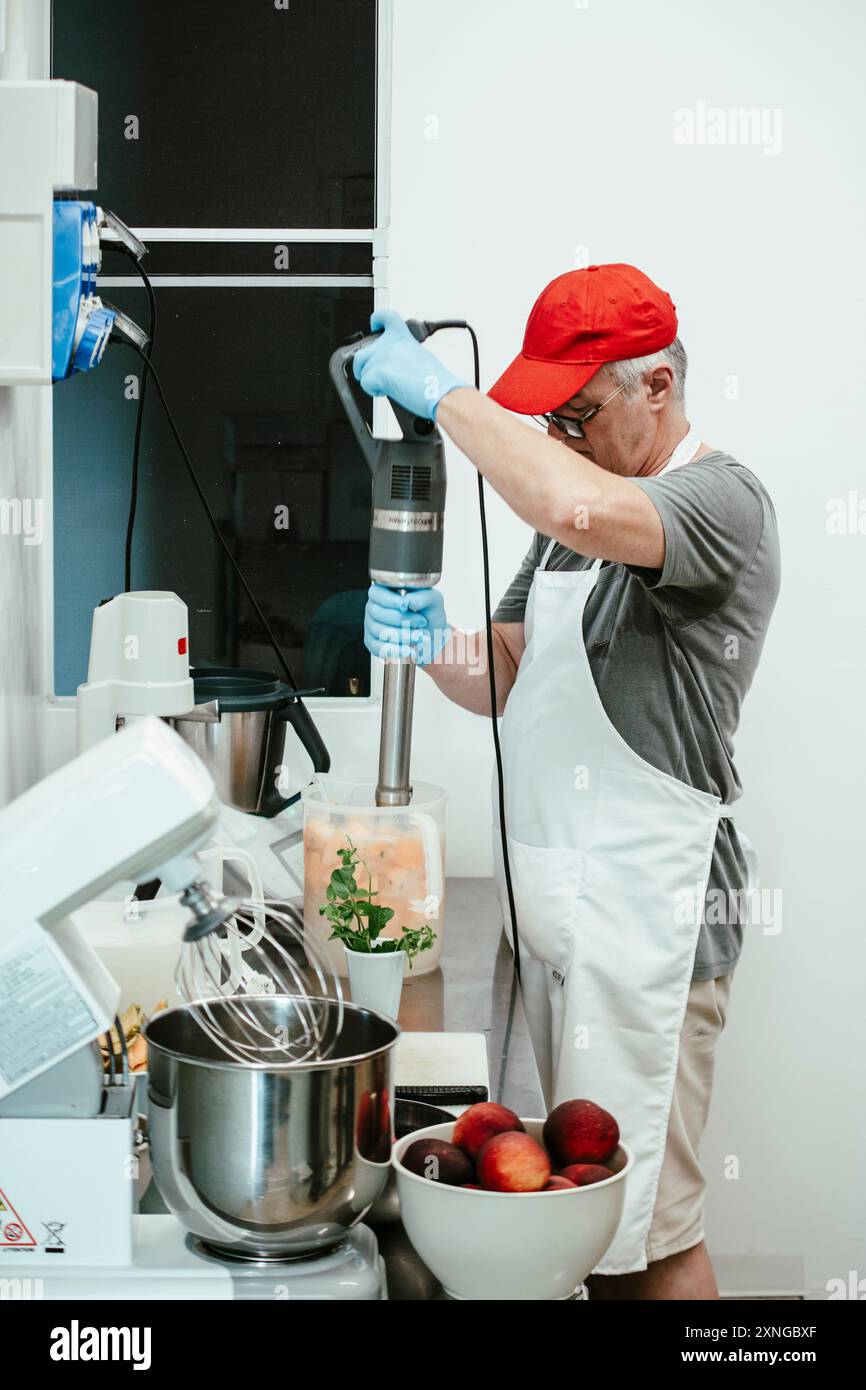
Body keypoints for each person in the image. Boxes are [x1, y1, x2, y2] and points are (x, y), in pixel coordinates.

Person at [354, 264, 780, 1298]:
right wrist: (421, 643)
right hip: (558, 920)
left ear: (657, 389)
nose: (561, 442)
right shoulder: (570, 513)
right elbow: (504, 668)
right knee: (577, 1219)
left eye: (576, 414)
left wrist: (439, 396)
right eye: (547, 421)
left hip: (648, 923)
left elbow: (574, 504)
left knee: (650, 1234)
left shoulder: (715, 500)